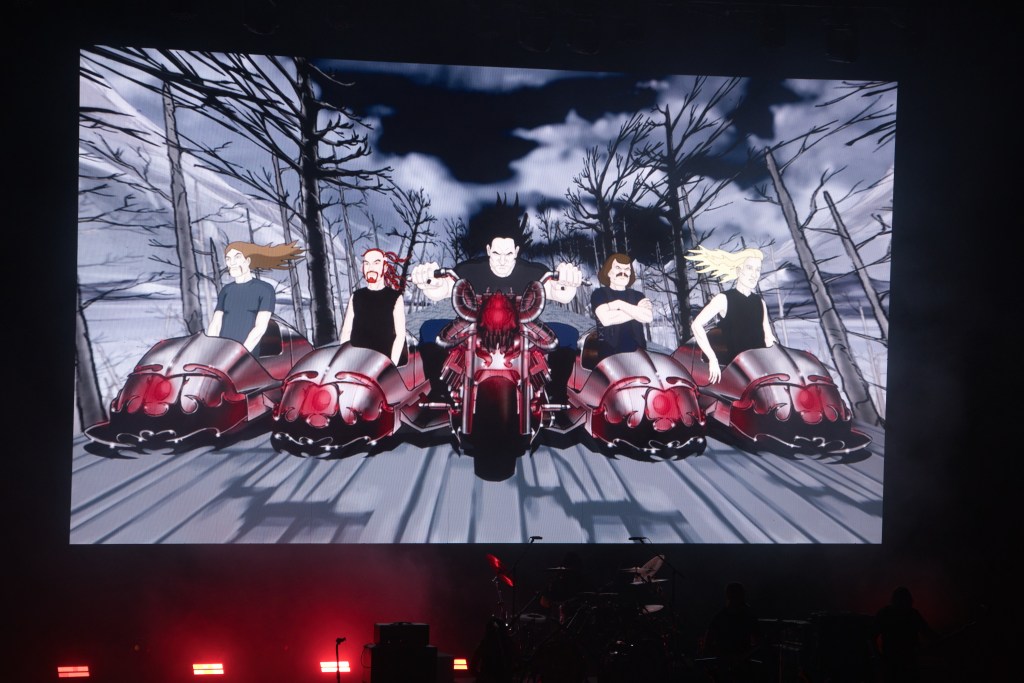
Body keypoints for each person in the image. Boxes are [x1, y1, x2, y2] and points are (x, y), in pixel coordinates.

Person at [410, 203, 583, 402]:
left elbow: (560, 292)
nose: (502, 260)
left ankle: (556, 392)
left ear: (516, 251)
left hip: (523, 329)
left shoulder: (535, 272)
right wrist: (428, 280)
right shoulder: (468, 270)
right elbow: (442, 289)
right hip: (474, 328)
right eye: (497, 253)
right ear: (488, 250)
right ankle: (440, 390)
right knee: (428, 329)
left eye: (508, 254)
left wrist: (568, 279)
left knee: (569, 334)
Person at [684, 246, 777, 384]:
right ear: (739, 271)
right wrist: (713, 359)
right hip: (734, 373)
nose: (754, 274)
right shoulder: (723, 299)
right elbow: (697, 325)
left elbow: (768, 337)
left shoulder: (760, 302)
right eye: (749, 268)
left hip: (759, 371)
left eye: (758, 270)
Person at [206, 240, 304, 354]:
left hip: (248, 354)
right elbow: (215, 323)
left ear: (248, 261)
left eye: (237, 257)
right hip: (221, 353)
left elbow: (260, 328)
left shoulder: (264, 289)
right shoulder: (226, 290)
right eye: (228, 259)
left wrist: (241, 352)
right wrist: (211, 349)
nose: (232, 263)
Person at [339, 248, 408, 366]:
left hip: (381, 365)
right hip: (356, 363)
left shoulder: (395, 297)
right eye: (367, 263)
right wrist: (344, 361)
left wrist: (391, 366)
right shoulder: (356, 296)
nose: (370, 268)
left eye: (376, 263)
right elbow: (346, 332)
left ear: (384, 267)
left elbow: (400, 336)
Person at [590, 253, 652, 363]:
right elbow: (606, 319)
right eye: (618, 268)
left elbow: (647, 317)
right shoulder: (599, 294)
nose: (623, 272)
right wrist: (637, 311)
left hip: (639, 357)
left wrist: (619, 305)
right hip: (609, 357)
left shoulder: (638, 295)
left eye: (627, 269)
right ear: (608, 271)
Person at [700, 582, 763, 683]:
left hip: (739, 667)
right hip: (727, 667)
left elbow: (758, 641)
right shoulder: (721, 618)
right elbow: (707, 644)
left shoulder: (746, 617)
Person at [873, 586, 936, 683]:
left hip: (895, 661)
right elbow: (928, 632)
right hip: (904, 661)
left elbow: (871, 636)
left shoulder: (885, 613)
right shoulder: (912, 613)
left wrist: (878, 655)